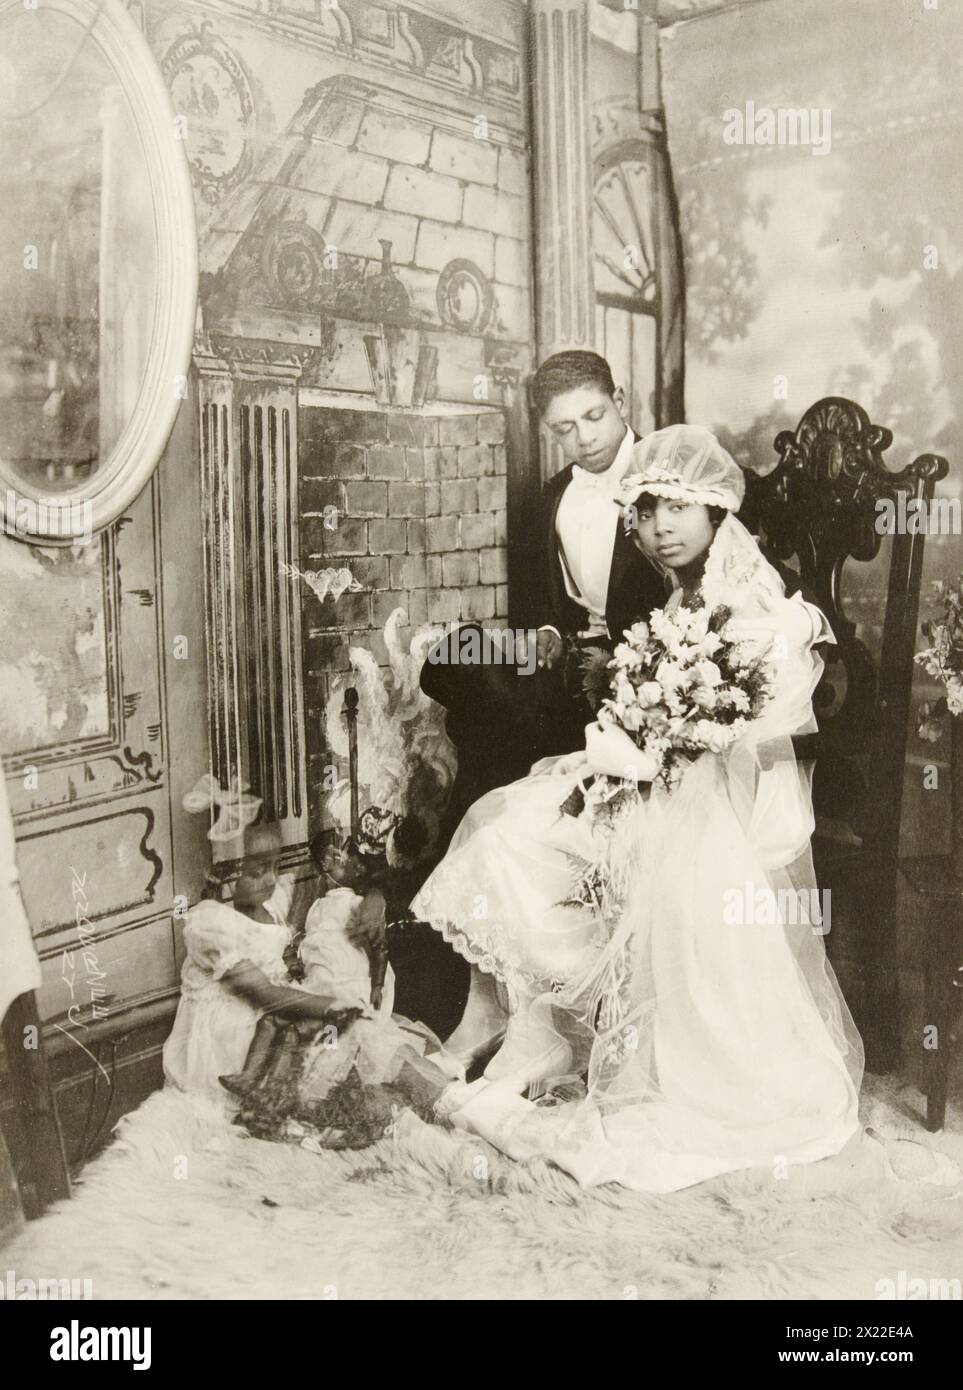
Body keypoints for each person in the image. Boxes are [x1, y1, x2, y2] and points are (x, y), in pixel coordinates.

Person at [412, 424, 864, 1193]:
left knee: (560, 846)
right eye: (646, 512)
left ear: (715, 510)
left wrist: (660, 750)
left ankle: (546, 1034)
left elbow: (770, 714)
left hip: (715, 802)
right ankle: (519, 1026)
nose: (660, 528)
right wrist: (623, 747)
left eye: (677, 508)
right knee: (500, 822)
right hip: (653, 779)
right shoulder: (676, 593)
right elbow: (654, 704)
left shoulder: (755, 596)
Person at [163, 822, 348, 1110]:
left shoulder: (272, 907)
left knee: (322, 1047)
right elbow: (263, 993)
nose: (271, 879)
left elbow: (282, 943)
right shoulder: (210, 922)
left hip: (273, 1009)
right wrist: (328, 1005)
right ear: (223, 877)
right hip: (233, 1026)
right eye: (257, 872)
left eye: (275, 867)